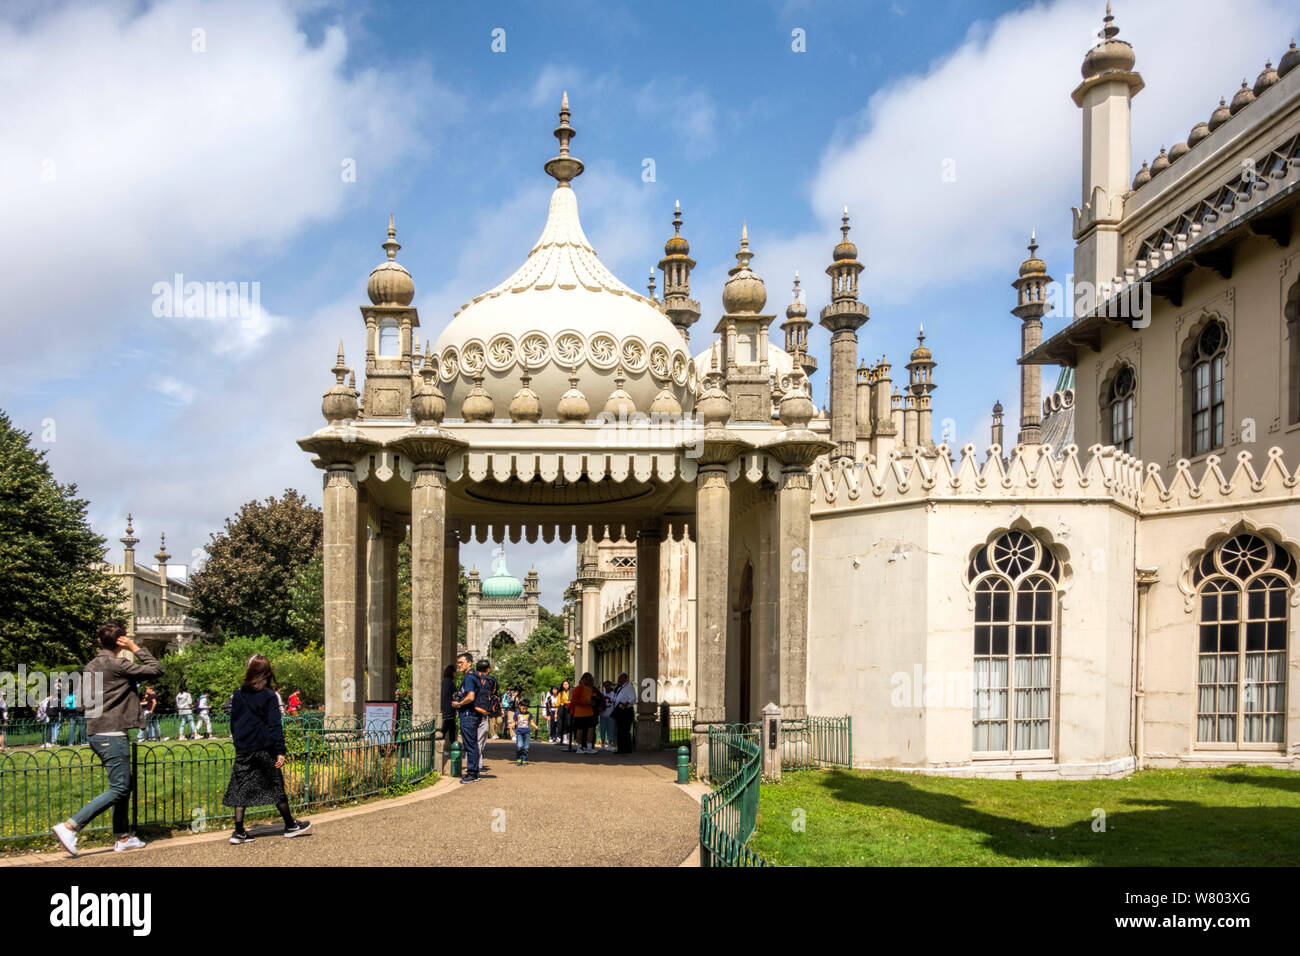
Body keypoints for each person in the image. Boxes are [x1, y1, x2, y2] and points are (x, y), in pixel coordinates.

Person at [50, 622, 163, 856]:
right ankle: (70, 826)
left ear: (99, 641)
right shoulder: (119, 664)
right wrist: (135, 648)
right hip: (112, 732)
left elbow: (81, 704)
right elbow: (156, 669)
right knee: (120, 787)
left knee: (123, 786)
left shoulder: (90, 666)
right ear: (121, 641)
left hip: (96, 731)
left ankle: (123, 837)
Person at [223, 654, 311, 844]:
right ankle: (290, 824)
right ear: (266, 672)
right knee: (275, 785)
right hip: (264, 746)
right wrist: (280, 749)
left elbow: (234, 723)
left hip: (244, 747)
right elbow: (274, 724)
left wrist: (239, 743)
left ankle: (239, 830)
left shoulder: (238, 694)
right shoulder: (269, 695)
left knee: (241, 787)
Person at [453, 652, 482, 783]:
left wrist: (459, 703)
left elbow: (470, 697)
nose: (459, 665)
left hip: (468, 714)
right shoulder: (474, 676)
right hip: (473, 714)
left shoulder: (469, 677)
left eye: (461, 662)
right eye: (458, 663)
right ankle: (474, 772)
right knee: (473, 743)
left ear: (469, 663)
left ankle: (472, 773)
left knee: (470, 744)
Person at [473, 660, 499, 768]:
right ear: (488, 669)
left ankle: (474, 764)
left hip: (470, 712)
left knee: (473, 740)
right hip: (483, 713)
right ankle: (476, 766)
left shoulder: (471, 678)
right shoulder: (491, 680)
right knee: (480, 741)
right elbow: (496, 693)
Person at [568, 673, 598, 754]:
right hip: (580, 713)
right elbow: (574, 701)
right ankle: (579, 747)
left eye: (591, 679)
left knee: (591, 729)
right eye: (590, 679)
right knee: (580, 730)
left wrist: (592, 702)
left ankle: (589, 747)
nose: (591, 680)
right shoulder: (578, 688)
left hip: (589, 712)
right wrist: (586, 702)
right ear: (585, 679)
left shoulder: (590, 688)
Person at [611, 672, 636, 754]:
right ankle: (620, 748)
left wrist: (627, 703)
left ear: (625, 679)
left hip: (626, 711)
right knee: (620, 730)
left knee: (625, 730)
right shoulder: (619, 687)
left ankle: (626, 749)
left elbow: (633, 698)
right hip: (619, 710)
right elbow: (616, 697)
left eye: (620, 678)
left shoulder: (629, 687)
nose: (618, 680)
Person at [510, 697, 538, 765]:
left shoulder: (529, 714)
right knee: (519, 746)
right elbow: (514, 722)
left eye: (526, 708)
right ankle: (519, 758)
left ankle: (524, 758)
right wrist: (512, 725)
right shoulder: (517, 714)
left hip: (527, 732)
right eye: (523, 708)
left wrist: (535, 726)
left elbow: (531, 722)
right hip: (519, 732)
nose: (524, 710)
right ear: (520, 706)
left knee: (526, 747)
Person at [439, 664, 458, 757]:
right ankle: (446, 749)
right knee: (446, 730)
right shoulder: (449, 683)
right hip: (449, 710)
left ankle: (453, 747)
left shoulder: (444, 682)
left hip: (446, 709)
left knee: (450, 729)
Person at [597, 681, 617, 752]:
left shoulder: (614, 694)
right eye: (606, 685)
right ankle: (602, 744)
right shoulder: (602, 694)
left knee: (610, 730)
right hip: (603, 714)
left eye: (608, 685)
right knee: (602, 729)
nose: (607, 687)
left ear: (611, 686)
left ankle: (610, 744)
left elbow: (615, 702)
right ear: (604, 686)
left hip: (611, 714)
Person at [555, 679, 572, 745]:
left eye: (567, 684)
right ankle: (560, 737)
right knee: (560, 723)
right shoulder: (560, 693)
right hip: (562, 708)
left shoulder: (571, 692)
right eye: (564, 684)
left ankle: (566, 737)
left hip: (569, 708)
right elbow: (557, 703)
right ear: (562, 685)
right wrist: (556, 713)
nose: (566, 685)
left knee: (567, 723)